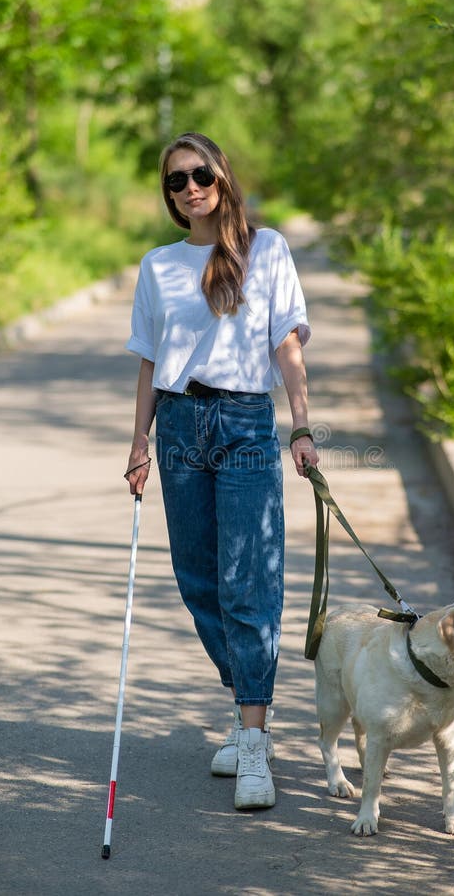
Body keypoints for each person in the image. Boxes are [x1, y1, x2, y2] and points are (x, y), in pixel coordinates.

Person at [124, 132, 318, 811]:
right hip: (177, 427)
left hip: (241, 421)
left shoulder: (266, 250)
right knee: (198, 579)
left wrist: (300, 425)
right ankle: (245, 711)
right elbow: (149, 359)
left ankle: (255, 743)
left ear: (222, 175)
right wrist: (138, 443)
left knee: (250, 581)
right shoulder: (158, 265)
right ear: (169, 195)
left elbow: (286, 345)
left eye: (199, 173)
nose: (189, 187)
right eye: (175, 181)